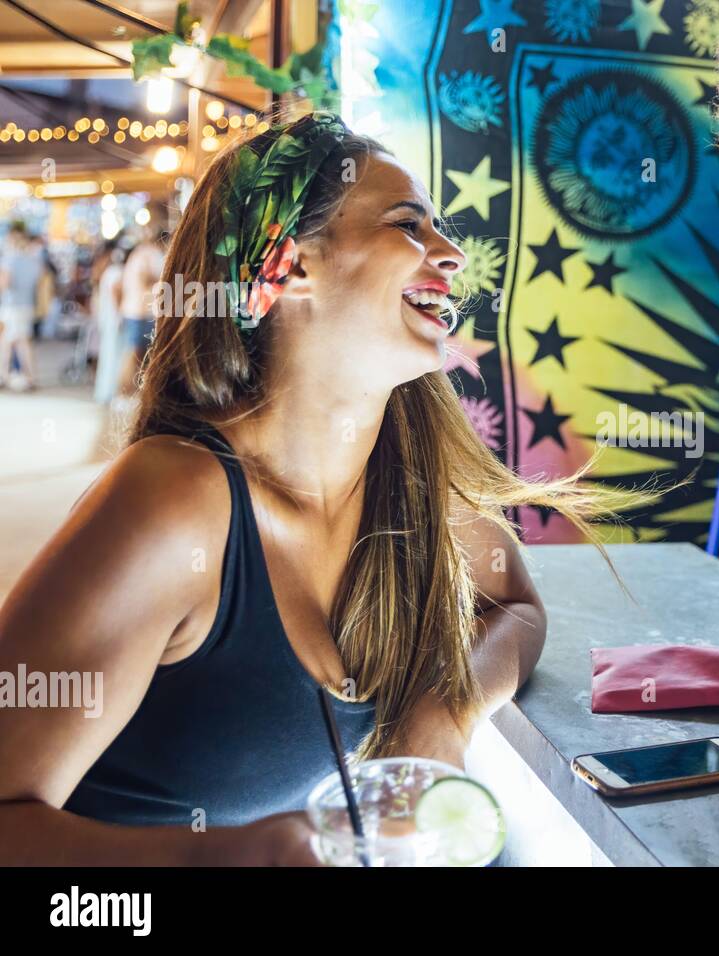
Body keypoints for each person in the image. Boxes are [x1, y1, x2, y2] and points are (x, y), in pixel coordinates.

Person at [0, 112, 635, 865]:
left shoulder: (403, 476)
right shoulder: (172, 500)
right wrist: (228, 858)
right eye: (409, 224)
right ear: (289, 266)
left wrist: (442, 711)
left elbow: (517, 610)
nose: (452, 253)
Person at [115, 211, 168, 401]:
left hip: (139, 310)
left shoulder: (142, 253)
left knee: (139, 353)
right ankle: (124, 392)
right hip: (138, 311)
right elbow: (145, 279)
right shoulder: (146, 254)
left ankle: (129, 393)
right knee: (134, 351)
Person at [0, 222, 43, 390]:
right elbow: (39, 281)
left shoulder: (9, 260)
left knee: (10, 342)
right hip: (27, 305)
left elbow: (4, 283)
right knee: (20, 341)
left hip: (12, 306)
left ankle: (6, 375)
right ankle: (27, 376)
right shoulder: (33, 261)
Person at [91, 238, 125, 404]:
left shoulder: (106, 272)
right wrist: (120, 313)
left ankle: (104, 392)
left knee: (107, 355)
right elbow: (116, 294)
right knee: (114, 356)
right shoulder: (116, 272)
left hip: (106, 318)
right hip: (114, 320)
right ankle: (111, 392)